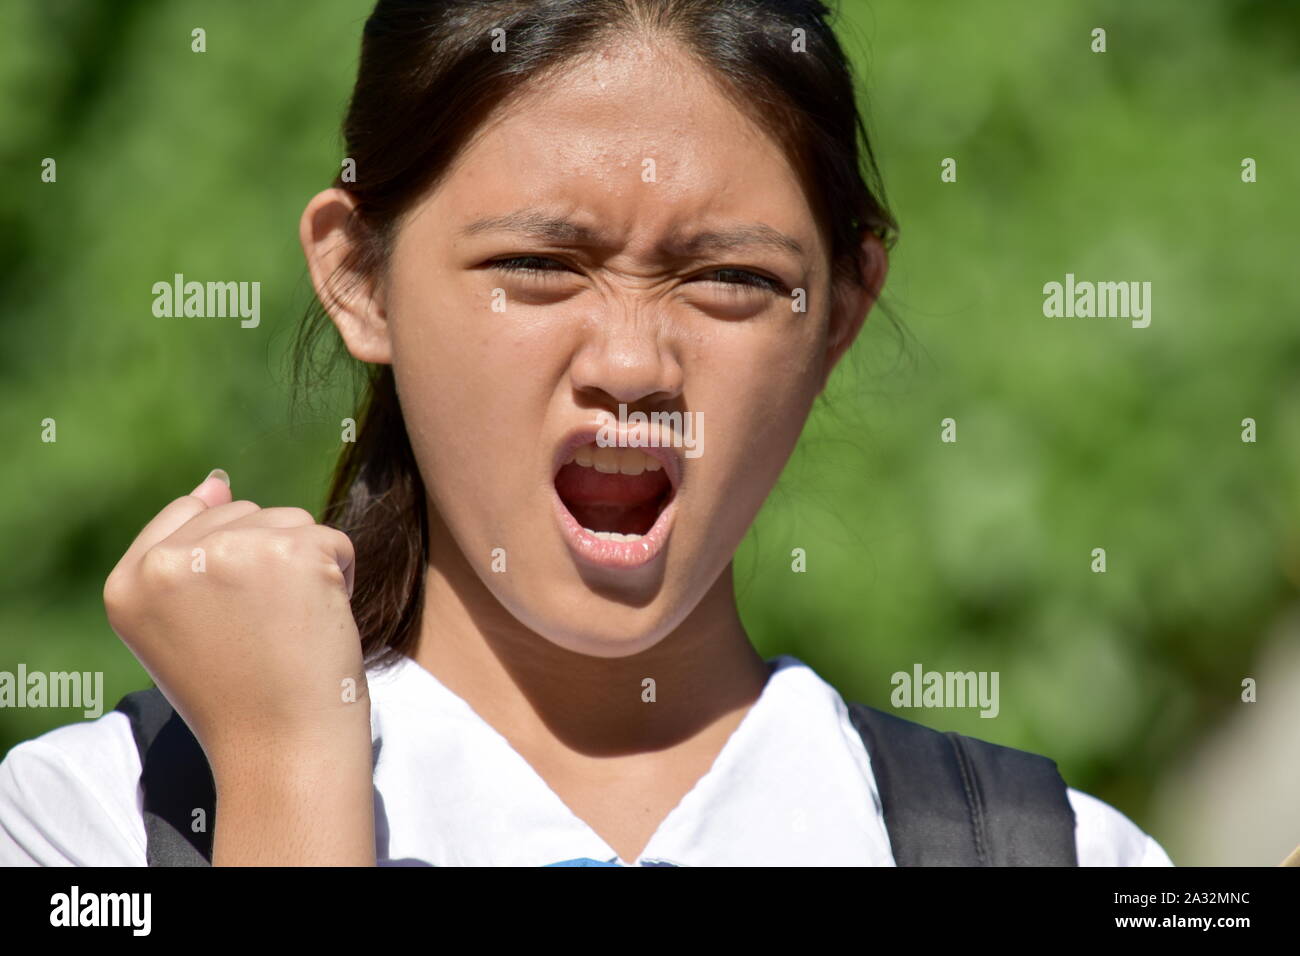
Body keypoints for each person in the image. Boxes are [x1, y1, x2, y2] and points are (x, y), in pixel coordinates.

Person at [0, 0, 1172, 867]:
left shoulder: (1053, 853)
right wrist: (288, 773)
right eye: (535, 266)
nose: (629, 364)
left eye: (727, 278)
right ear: (359, 278)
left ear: (841, 314)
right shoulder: (98, 826)